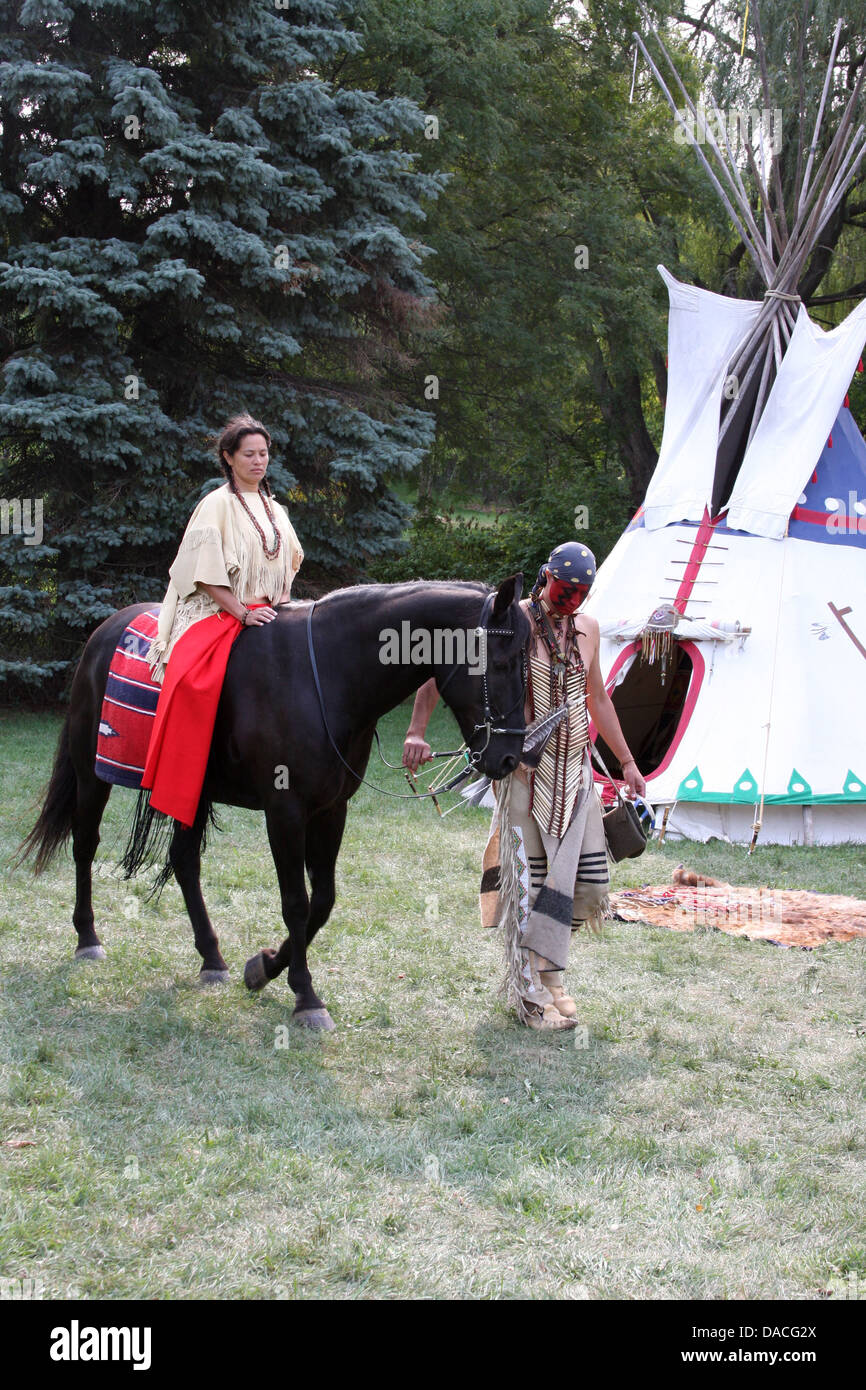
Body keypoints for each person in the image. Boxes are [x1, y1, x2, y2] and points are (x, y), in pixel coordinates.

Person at [403, 542, 646, 1031]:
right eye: (563, 589)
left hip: (575, 776)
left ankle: (547, 968)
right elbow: (443, 672)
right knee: (528, 888)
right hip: (523, 775)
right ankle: (531, 994)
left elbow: (597, 697)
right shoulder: (510, 621)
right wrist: (415, 730)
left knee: (590, 887)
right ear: (544, 578)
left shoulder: (589, 630)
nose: (570, 601)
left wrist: (626, 762)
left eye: (581, 594)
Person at [141, 414, 304, 829]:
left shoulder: (276, 509)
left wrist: (281, 608)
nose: (258, 461)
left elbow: (287, 566)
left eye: (263, 453)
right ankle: (187, 776)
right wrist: (243, 613)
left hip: (270, 611)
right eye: (248, 454)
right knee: (194, 681)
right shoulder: (215, 504)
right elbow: (205, 573)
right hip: (218, 611)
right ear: (229, 458)